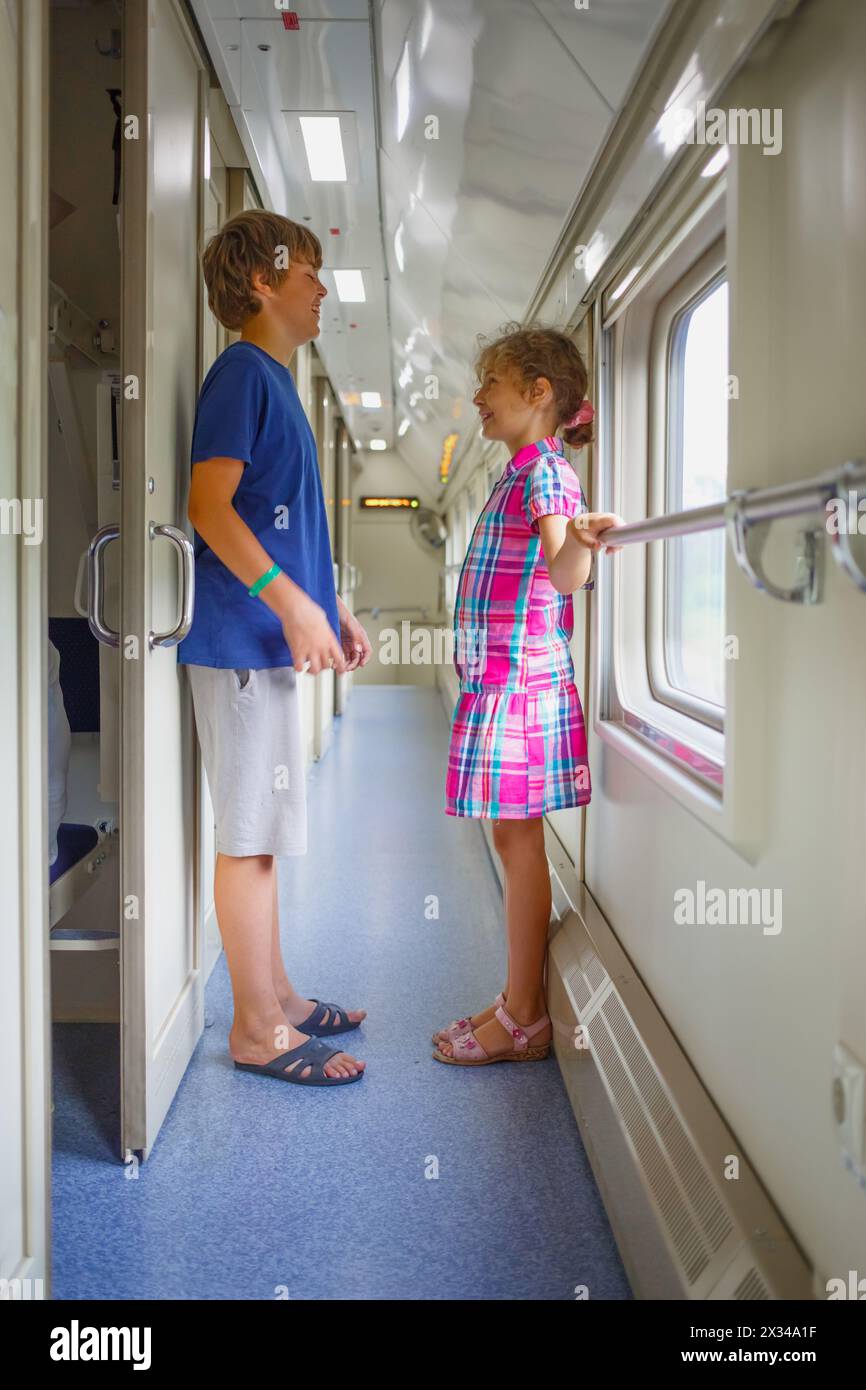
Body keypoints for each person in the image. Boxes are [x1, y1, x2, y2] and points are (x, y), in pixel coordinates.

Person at [178, 210, 372, 1088]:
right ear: (265, 279)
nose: (323, 289)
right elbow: (209, 509)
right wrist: (290, 602)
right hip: (242, 644)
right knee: (249, 840)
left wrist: (332, 607)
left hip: (274, 642)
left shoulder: (278, 383)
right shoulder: (241, 377)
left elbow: (280, 523)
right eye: (312, 273)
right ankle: (256, 1030)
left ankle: (280, 996)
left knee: (266, 833)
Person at [434, 324, 624, 1067]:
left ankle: (524, 1017)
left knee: (518, 844)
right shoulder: (520, 471)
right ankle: (513, 999)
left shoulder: (546, 473)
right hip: (502, 683)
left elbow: (566, 571)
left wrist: (581, 536)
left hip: (519, 686)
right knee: (511, 840)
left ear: (537, 394)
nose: (478, 397)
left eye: (491, 384)